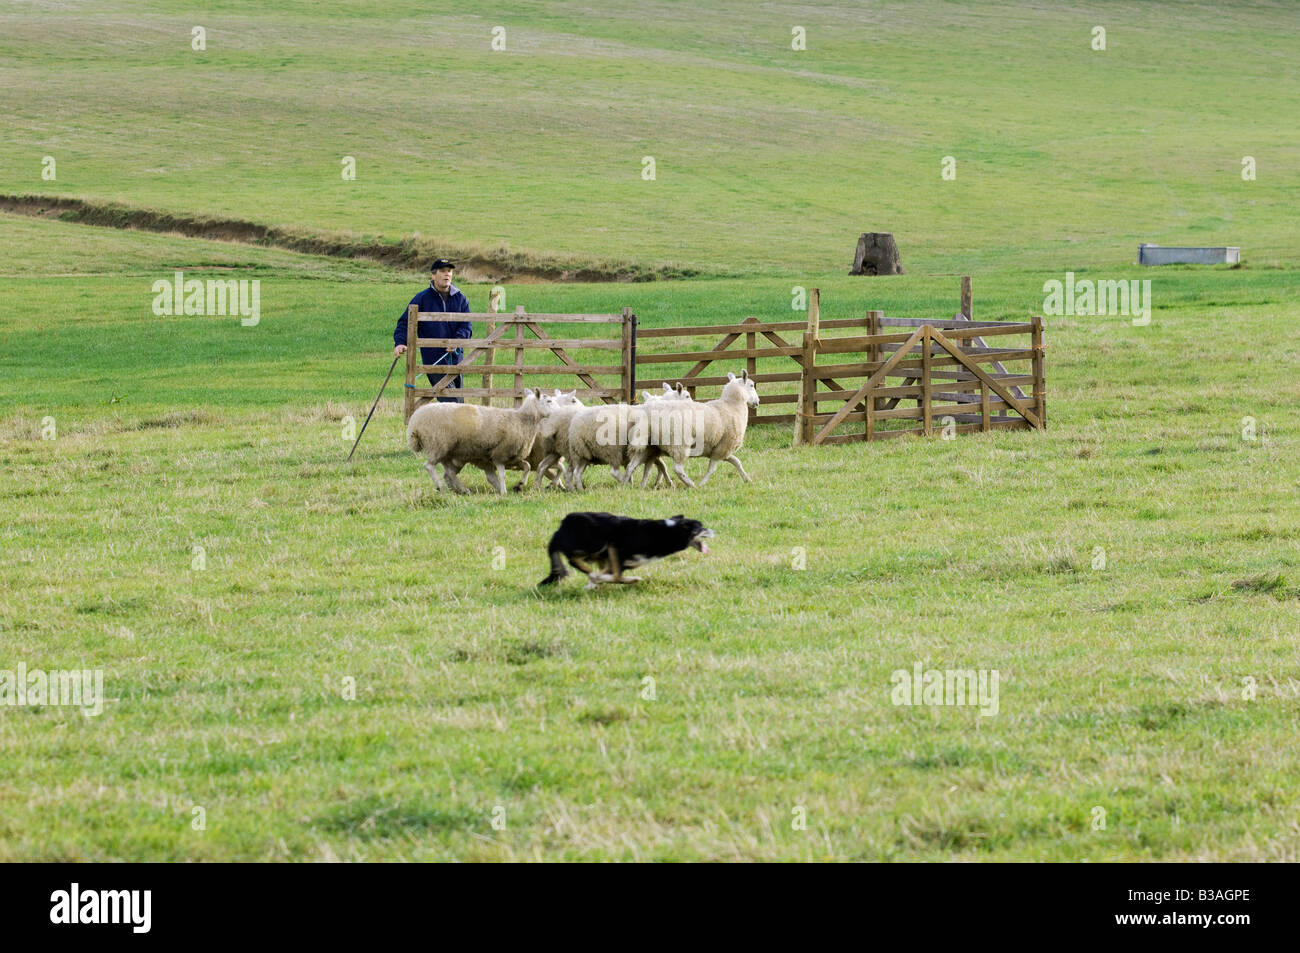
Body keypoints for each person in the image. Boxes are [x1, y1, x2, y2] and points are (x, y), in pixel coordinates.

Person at [393, 259, 472, 403]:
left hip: (456, 360)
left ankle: (446, 426)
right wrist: (400, 342)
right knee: (451, 402)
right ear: (433, 275)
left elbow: (466, 326)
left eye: (449, 271)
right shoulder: (422, 298)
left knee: (458, 403)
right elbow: (405, 322)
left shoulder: (461, 298)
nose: (447, 274)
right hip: (434, 362)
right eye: (442, 271)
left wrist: (457, 340)